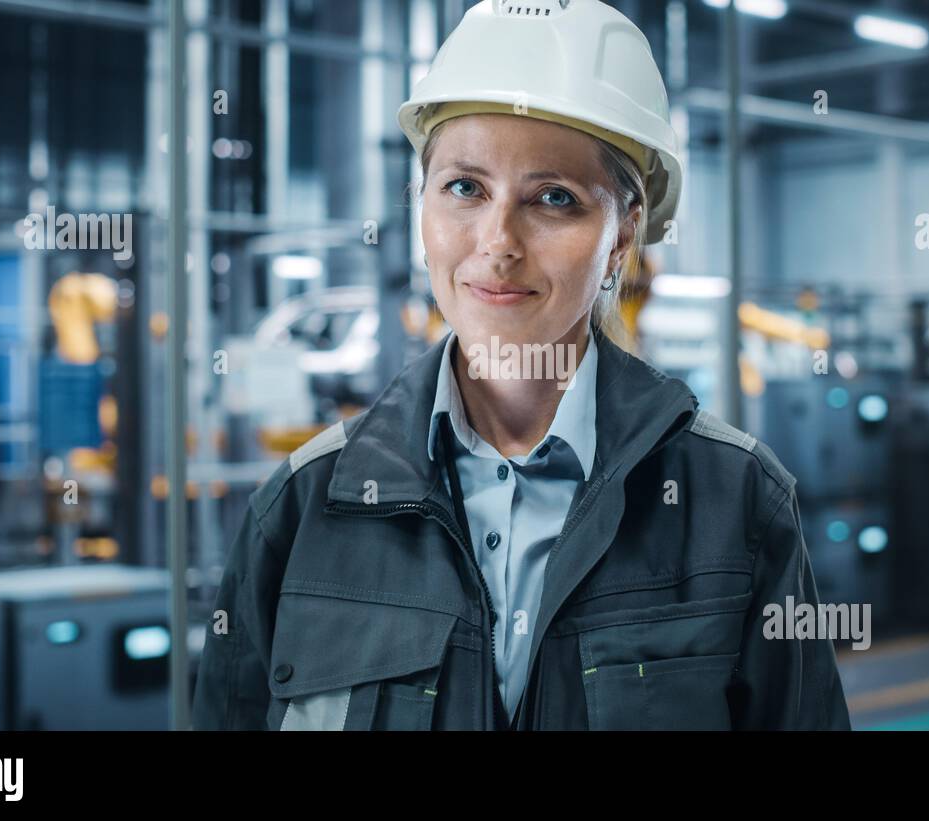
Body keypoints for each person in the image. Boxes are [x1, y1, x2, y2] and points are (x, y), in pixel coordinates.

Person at [192, 0, 850, 731]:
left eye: (554, 199)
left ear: (624, 231)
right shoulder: (302, 508)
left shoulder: (738, 503)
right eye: (464, 188)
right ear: (421, 205)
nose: (497, 241)